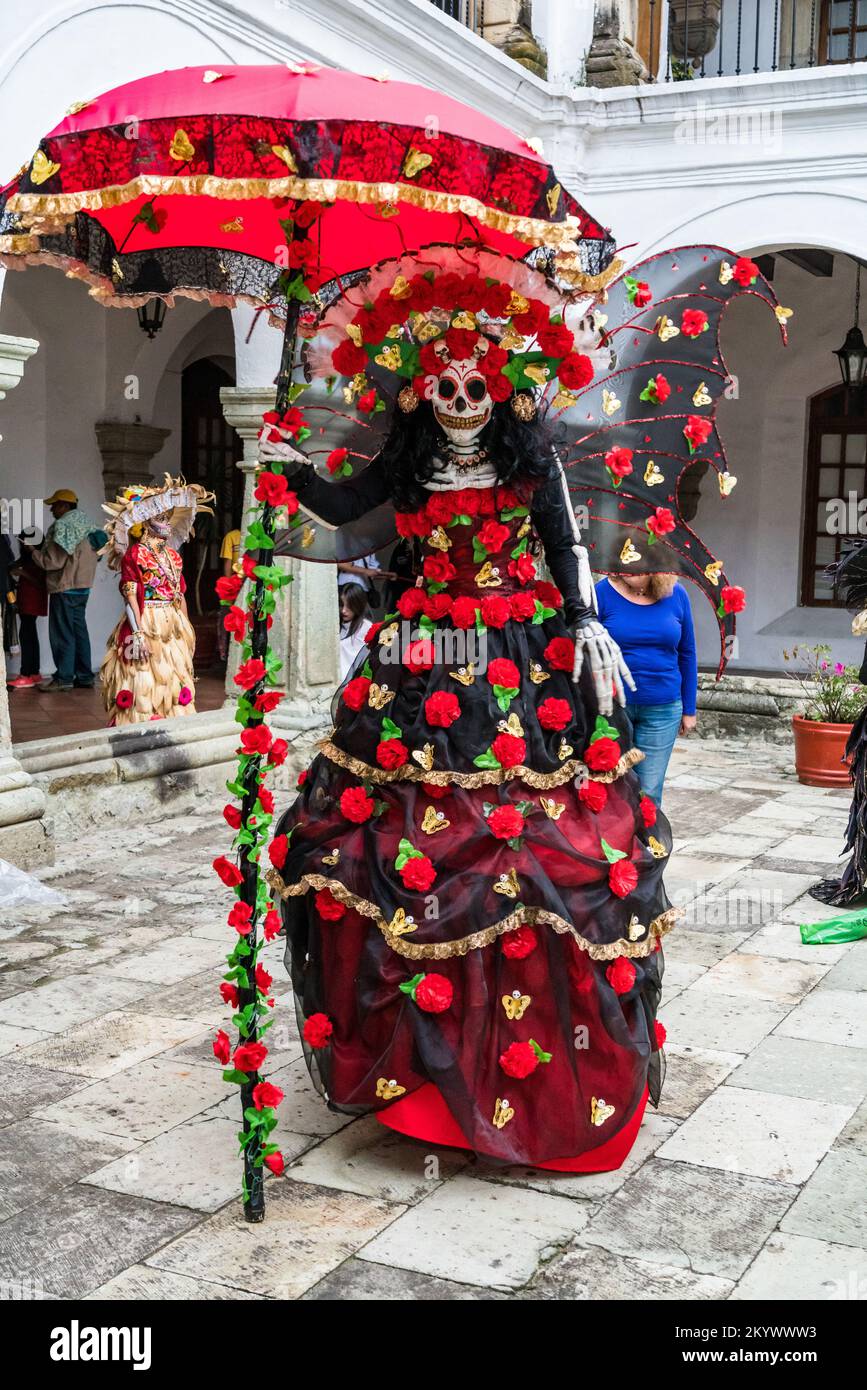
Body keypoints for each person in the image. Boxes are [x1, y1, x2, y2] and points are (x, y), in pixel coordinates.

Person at [262, 259, 675, 1173]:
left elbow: (566, 550)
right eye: (444, 386)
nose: (459, 400)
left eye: (475, 385)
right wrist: (284, 462)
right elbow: (338, 506)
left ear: (503, 392)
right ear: (421, 392)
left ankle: (524, 1073)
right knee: (397, 834)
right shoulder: (406, 470)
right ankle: (419, 1086)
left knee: (528, 840)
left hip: (523, 661)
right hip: (421, 663)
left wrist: (585, 623)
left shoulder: (533, 470)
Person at [99, 478, 214, 724]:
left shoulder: (173, 555)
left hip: (171, 622)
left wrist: (186, 627)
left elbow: (179, 594)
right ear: (147, 523)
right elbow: (131, 597)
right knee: (142, 674)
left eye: (167, 517)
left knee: (173, 675)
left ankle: (174, 721)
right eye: (160, 518)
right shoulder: (136, 553)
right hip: (146, 619)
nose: (166, 523)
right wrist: (137, 633)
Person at [595, 572, 697, 806]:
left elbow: (687, 652)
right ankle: (616, 842)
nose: (631, 569)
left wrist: (689, 708)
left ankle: (648, 841)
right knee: (611, 784)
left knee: (649, 789)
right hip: (612, 707)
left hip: (663, 708)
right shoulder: (601, 593)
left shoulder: (676, 594)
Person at [26, 488, 102, 692]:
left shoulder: (63, 525)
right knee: (79, 631)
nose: (51, 510)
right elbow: (100, 553)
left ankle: (64, 677)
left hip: (65, 586)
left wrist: (33, 551)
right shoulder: (87, 522)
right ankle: (85, 677)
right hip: (83, 587)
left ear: (65, 506)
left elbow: (53, 562)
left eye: (54, 505)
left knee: (62, 634)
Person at [7, 529, 47, 688]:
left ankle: (26, 674)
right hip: (27, 600)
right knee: (31, 634)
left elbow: (41, 583)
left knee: (26, 635)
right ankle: (35, 673)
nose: (22, 545)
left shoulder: (38, 558)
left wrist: (22, 574)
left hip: (32, 600)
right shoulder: (28, 558)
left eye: (24, 542)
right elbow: (12, 566)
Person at [338, 581, 372, 680]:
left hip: (352, 682)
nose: (344, 610)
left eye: (349, 606)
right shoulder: (337, 623)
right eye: (342, 605)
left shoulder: (366, 628)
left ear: (358, 604)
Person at [218, 526, 242, 662]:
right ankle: (225, 656)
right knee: (228, 620)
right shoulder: (231, 537)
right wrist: (228, 587)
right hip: (234, 583)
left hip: (248, 580)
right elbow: (227, 563)